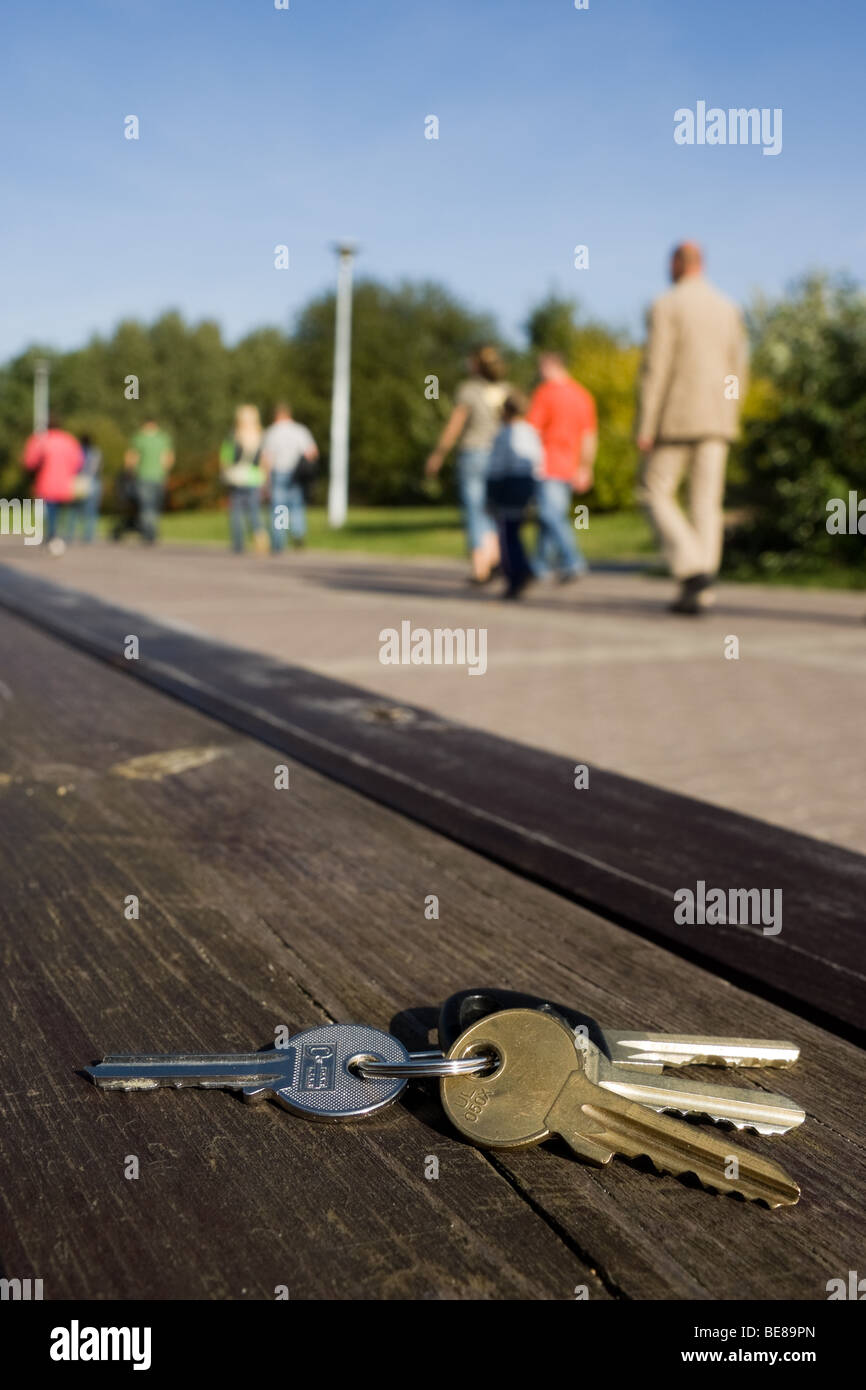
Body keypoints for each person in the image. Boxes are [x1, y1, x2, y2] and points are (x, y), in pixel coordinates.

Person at [636, 242, 749, 614]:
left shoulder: (666, 304)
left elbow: (657, 367)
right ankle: (701, 592)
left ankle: (692, 569)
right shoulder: (728, 307)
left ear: (676, 263)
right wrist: (730, 413)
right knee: (706, 504)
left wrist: (646, 423)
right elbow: (738, 370)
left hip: (676, 417)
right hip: (717, 420)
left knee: (653, 492)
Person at [425, 345, 510, 584]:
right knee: (493, 510)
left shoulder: (469, 390)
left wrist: (438, 454)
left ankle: (480, 568)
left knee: (475, 511)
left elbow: (455, 425)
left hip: (474, 454)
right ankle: (495, 559)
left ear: (475, 365)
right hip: (500, 457)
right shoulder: (505, 390)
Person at [526, 352, 597, 583]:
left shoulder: (544, 393)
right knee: (550, 516)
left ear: (550, 366)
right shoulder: (582, 395)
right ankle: (540, 565)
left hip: (547, 463)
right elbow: (589, 435)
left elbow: (531, 430)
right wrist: (585, 467)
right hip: (570, 464)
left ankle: (573, 560)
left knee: (550, 515)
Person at [486, 392, 544, 599]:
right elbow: (539, 463)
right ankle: (524, 569)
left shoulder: (504, 434)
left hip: (508, 484)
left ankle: (515, 577)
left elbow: (497, 466)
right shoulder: (532, 432)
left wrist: (491, 494)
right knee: (516, 531)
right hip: (528, 484)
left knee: (508, 534)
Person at [260, 403, 318, 552]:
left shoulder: (271, 432)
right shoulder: (300, 430)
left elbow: (267, 458)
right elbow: (312, 452)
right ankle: (298, 533)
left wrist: (265, 480)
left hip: (279, 472)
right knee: (297, 505)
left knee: (281, 507)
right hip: (297, 474)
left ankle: (280, 540)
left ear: (276, 415)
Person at [23, 416, 84, 555]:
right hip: (66, 484)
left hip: (47, 483)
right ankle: (65, 535)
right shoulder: (69, 440)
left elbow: (30, 462)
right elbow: (79, 461)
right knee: (66, 511)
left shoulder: (41, 441)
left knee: (51, 512)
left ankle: (52, 536)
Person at [220, 405, 267, 554]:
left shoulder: (234, 436)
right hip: (254, 477)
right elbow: (265, 459)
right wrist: (264, 475)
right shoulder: (260, 436)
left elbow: (225, 458)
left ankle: (238, 543)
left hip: (237, 477)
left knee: (236, 511)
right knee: (254, 510)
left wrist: (225, 471)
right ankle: (260, 538)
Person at [124, 417, 174, 543]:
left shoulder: (139, 438)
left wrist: (129, 472)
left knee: (146, 506)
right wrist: (165, 473)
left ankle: (148, 532)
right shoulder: (163, 438)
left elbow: (132, 457)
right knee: (155, 506)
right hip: (159, 477)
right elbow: (168, 458)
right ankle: (152, 531)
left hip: (143, 476)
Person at [64, 434, 102, 543]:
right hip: (91, 481)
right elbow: (96, 468)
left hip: (77, 481)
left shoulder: (76, 451)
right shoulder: (95, 452)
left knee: (73, 510)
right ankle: (88, 536)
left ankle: (70, 534)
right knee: (91, 510)